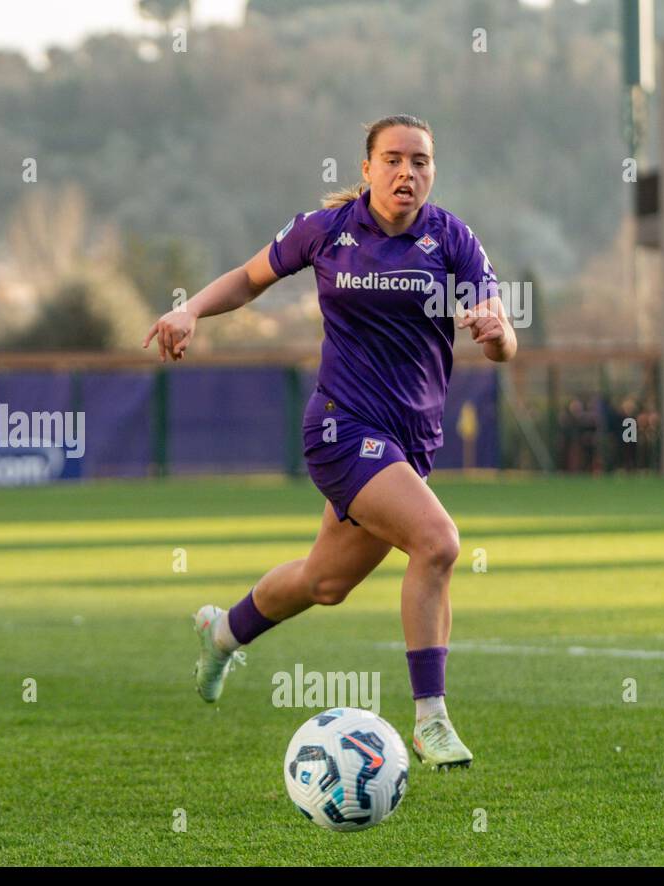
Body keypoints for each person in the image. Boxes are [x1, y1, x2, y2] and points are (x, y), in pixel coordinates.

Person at [143, 114, 516, 771]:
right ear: (368, 168)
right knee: (439, 542)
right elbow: (250, 277)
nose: (409, 172)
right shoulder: (327, 231)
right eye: (394, 159)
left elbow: (504, 336)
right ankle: (431, 721)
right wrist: (189, 309)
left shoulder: (451, 237)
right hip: (341, 429)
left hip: (408, 446)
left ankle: (223, 631)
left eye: (421, 161)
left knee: (324, 583)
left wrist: (495, 333)